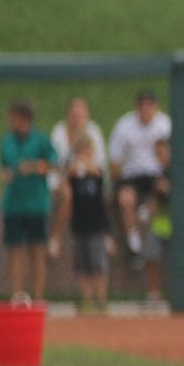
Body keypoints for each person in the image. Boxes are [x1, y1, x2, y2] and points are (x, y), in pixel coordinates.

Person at [108, 89, 173, 304]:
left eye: (150, 105)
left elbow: (172, 160)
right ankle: (134, 244)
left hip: (156, 177)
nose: (146, 110)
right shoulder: (125, 126)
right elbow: (115, 162)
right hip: (133, 176)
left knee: (161, 189)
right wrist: (118, 184)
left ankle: (144, 214)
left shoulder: (165, 124)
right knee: (126, 199)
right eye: (142, 106)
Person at [0, 99, 57, 300]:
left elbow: (53, 165)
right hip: (13, 204)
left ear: (25, 119)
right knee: (14, 250)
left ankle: (38, 296)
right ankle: (17, 294)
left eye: (14, 117)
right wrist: (5, 174)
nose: (10, 121)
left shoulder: (41, 140)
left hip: (36, 204)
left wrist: (33, 167)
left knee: (36, 250)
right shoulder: (6, 140)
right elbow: (4, 165)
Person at [57, 135, 112, 312]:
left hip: (97, 223)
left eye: (87, 151)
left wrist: (85, 166)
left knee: (98, 263)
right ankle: (86, 299)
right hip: (79, 223)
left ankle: (101, 300)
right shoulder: (73, 174)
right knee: (82, 264)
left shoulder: (96, 170)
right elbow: (64, 187)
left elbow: (98, 174)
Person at [50, 97, 107, 196]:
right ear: (68, 116)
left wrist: (83, 168)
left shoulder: (94, 131)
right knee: (66, 193)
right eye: (74, 115)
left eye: (80, 115)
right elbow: (55, 164)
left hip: (89, 178)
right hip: (64, 180)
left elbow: (100, 166)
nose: (77, 119)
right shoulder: (58, 132)